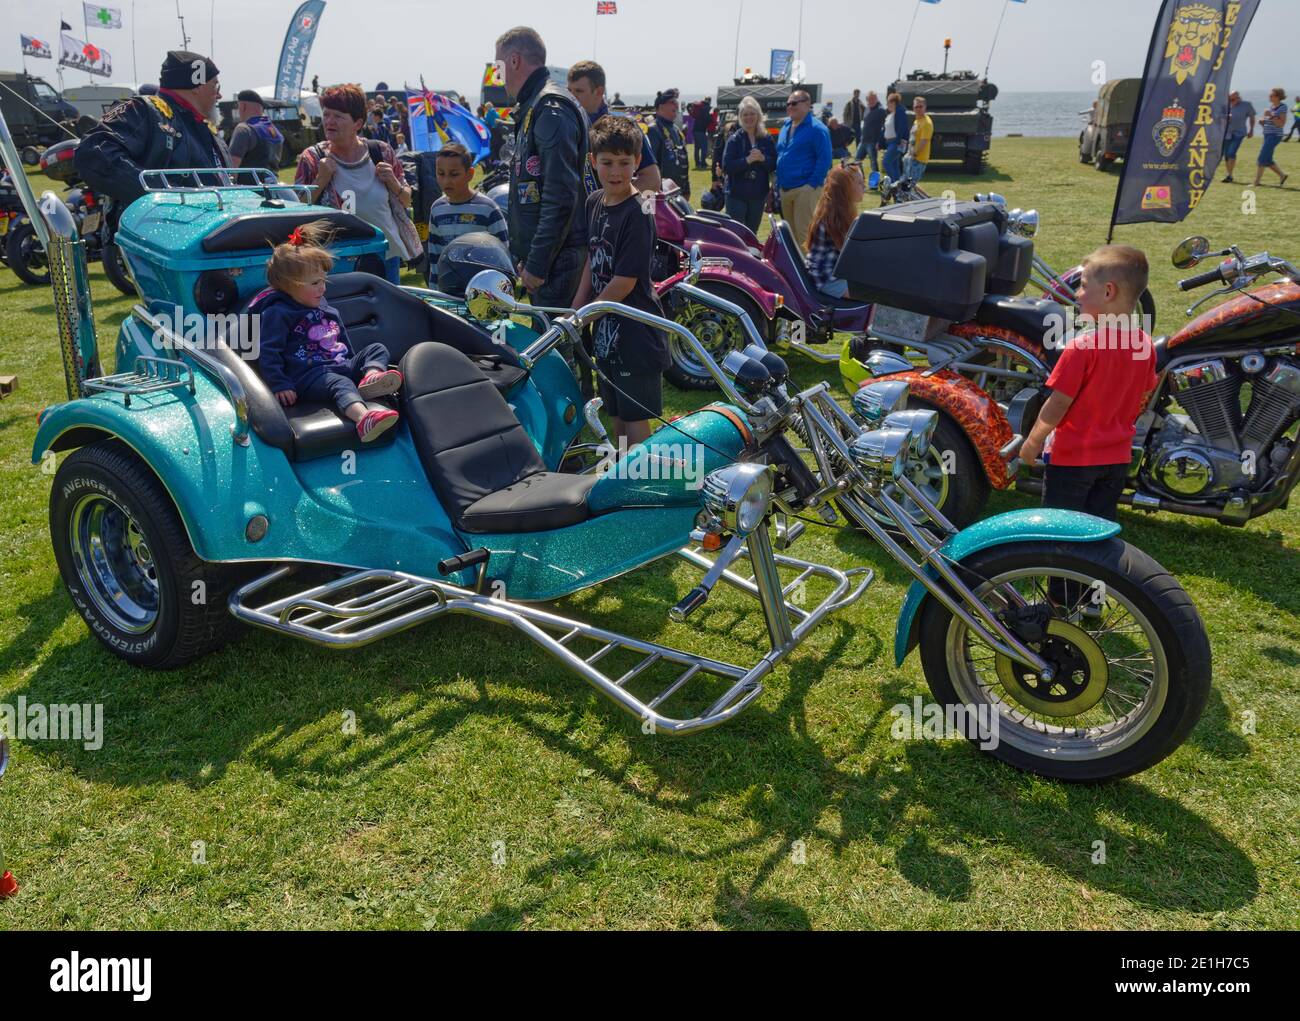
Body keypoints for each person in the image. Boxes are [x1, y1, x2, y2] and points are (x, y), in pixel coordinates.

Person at [1019, 246, 1156, 524]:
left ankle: (1058, 568)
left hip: (1072, 459)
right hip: (1116, 459)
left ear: (1108, 292)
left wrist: (1032, 442)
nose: (1077, 295)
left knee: (1060, 527)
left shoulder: (1082, 346)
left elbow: (1058, 403)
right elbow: (1143, 394)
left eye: (1082, 287)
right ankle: (1091, 568)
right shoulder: (1145, 344)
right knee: (1097, 527)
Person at [250, 220, 403, 444]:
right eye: (314, 283)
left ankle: (371, 378)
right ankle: (364, 419)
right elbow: (269, 352)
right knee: (339, 383)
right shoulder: (278, 313)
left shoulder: (326, 308)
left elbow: (343, 341)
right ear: (286, 285)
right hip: (308, 376)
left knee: (376, 349)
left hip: (339, 364)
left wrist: (356, 364)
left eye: (323, 281)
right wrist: (280, 384)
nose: (322, 288)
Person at [571, 115, 669, 449]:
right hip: (605, 334)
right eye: (607, 163)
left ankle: (645, 487)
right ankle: (627, 483)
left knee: (635, 420)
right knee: (615, 414)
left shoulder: (641, 210)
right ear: (592, 162)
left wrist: (584, 316)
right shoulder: (593, 202)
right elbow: (591, 259)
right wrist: (575, 309)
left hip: (636, 333)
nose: (615, 172)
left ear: (638, 162)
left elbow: (624, 282)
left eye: (624, 163)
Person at [495, 26, 590, 313]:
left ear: (514, 61)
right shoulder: (537, 105)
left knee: (554, 354)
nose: (498, 78)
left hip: (559, 261)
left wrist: (537, 264)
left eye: (499, 67)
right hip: (553, 258)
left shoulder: (549, 108)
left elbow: (560, 196)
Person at [294, 83, 421, 285]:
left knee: (388, 313)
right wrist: (321, 179)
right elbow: (296, 210)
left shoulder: (382, 152)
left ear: (358, 123)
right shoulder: (312, 158)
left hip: (384, 255)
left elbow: (405, 200)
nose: (329, 121)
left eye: (338, 116)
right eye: (326, 115)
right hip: (334, 261)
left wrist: (394, 183)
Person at [74, 50, 230, 206]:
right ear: (197, 86)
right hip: (155, 225)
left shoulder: (205, 126)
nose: (219, 95)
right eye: (215, 86)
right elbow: (93, 153)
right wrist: (163, 196)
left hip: (213, 226)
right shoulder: (141, 109)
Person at [567, 61, 661, 194]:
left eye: (579, 91)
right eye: (569, 90)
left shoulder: (623, 125)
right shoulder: (564, 124)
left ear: (599, 91)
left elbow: (652, 180)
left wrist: (609, 203)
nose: (571, 97)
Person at [426, 142, 509, 286]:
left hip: (483, 289)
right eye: (441, 173)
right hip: (449, 291)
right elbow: (435, 258)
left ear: (470, 174)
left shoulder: (488, 209)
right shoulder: (437, 209)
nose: (446, 180)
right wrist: (435, 293)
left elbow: (504, 256)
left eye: (454, 174)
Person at [776, 89, 832, 251]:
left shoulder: (817, 129)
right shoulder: (786, 126)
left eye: (794, 103)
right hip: (785, 190)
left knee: (805, 237)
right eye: (788, 104)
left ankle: (808, 274)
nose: (790, 107)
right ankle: (796, 273)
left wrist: (811, 186)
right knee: (790, 238)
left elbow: (825, 160)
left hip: (805, 189)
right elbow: (781, 153)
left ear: (807, 105)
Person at [804, 165, 865, 300]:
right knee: (880, 295)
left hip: (826, 275)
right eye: (860, 183)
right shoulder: (835, 217)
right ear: (845, 188)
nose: (864, 186)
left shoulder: (833, 208)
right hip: (828, 280)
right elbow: (855, 254)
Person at [722, 96, 777, 233]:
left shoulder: (766, 138)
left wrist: (762, 158)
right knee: (735, 234)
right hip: (736, 194)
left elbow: (774, 164)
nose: (749, 118)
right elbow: (727, 166)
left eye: (752, 114)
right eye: (745, 115)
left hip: (758, 195)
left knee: (752, 234)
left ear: (758, 115)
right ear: (740, 117)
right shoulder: (734, 139)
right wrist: (747, 160)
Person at [647, 88, 691, 198]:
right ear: (661, 107)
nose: (676, 106)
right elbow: (649, 166)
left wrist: (686, 188)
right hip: (661, 194)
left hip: (677, 191)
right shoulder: (654, 130)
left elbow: (682, 161)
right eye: (672, 102)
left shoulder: (676, 130)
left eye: (677, 102)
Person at [228, 90, 284, 171]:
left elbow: (233, 166)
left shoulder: (243, 129)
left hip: (249, 183)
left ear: (243, 106)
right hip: (272, 181)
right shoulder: (275, 130)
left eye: (238, 106)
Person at [1255, 88, 1290, 188]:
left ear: (1278, 96)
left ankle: (1256, 182)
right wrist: (1263, 122)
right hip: (1267, 135)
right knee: (1268, 159)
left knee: (1262, 158)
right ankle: (1283, 176)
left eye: (1271, 95)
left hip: (1275, 136)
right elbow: (1271, 122)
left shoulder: (1283, 107)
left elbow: (1281, 124)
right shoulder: (1272, 107)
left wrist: (1271, 115)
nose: (1269, 97)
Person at [1222, 90, 1256, 183]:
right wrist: (1225, 118)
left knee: (1231, 152)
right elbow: (1218, 117)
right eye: (1230, 99)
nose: (1231, 101)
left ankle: (1229, 175)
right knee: (1226, 154)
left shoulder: (1247, 105)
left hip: (1239, 133)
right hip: (1226, 133)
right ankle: (1229, 175)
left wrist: (1251, 130)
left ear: (1238, 97)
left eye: (1233, 99)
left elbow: (1252, 118)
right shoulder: (1225, 105)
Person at [904, 96, 934, 184]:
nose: (918, 109)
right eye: (916, 107)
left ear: (925, 107)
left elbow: (924, 141)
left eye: (920, 106)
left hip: (919, 160)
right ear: (913, 108)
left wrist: (914, 154)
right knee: (908, 185)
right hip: (911, 157)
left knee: (910, 185)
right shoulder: (917, 121)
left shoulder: (927, 123)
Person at [856, 91, 886, 173]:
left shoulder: (881, 110)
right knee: (857, 161)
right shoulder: (867, 109)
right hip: (863, 140)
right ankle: (861, 180)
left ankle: (875, 183)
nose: (871, 101)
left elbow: (884, 127)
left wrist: (879, 141)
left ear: (876, 99)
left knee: (873, 163)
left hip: (873, 142)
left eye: (873, 99)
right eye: (869, 99)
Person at [881, 92, 908, 181]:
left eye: (888, 103)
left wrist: (897, 142)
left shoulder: (900, 111)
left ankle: (895, 183)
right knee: (894, 165)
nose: (887, 105)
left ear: (893, 102)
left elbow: (901, 127)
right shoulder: (891, 114)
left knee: (886, 162)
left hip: (896, 142)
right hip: (890, 143)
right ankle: (898, 186)